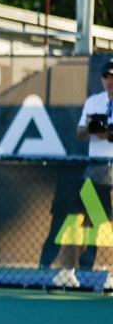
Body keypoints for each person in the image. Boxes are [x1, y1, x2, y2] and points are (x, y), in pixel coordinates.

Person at [70, 59, 113, 284]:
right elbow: (80, 133)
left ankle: (111, 275)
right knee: (84, 218)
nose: (110, 80)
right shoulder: (93, 101)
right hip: (94, 169)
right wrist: (90, 127)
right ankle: (69, 272)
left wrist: (107, 133)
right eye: (106, 76)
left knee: (110, 223)